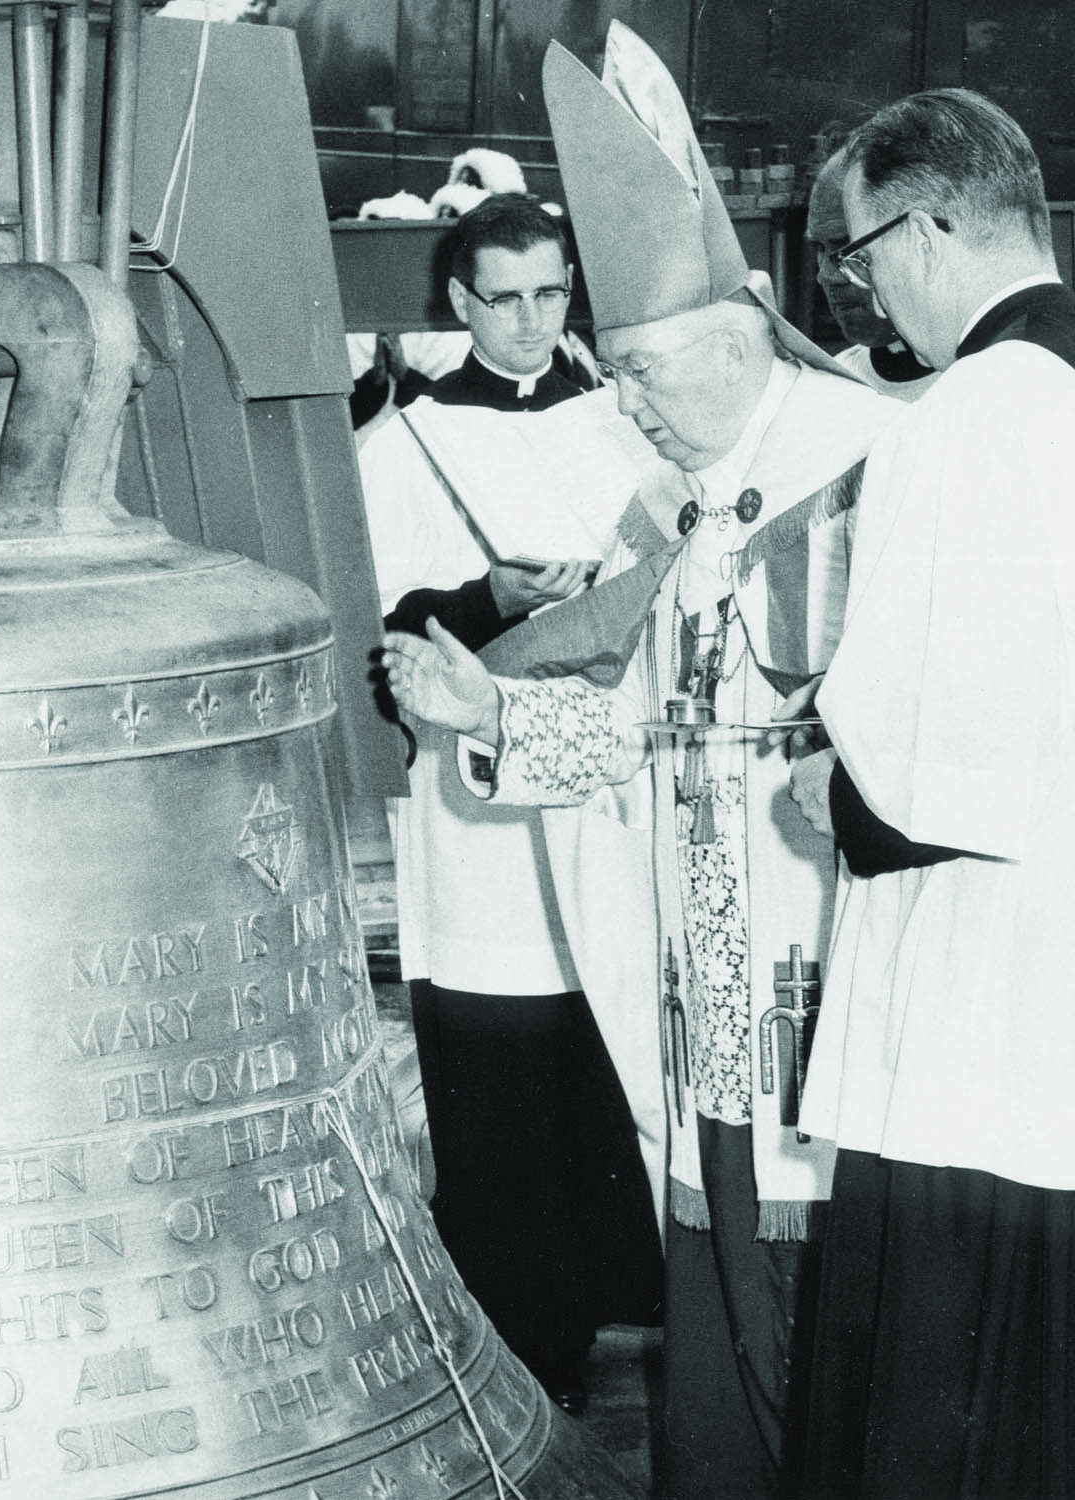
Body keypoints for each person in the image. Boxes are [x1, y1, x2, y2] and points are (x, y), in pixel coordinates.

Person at [382, 23, 901, 1500]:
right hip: (709, 1004)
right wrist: (489, 716)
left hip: (837, 988)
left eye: (644, 376)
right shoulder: (694, 517)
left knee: (835, 1331)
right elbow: (637, 735)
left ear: (726, 348)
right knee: (722, 1334)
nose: (631, 406)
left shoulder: (867, 468)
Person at [783, 88, 1075, 1500]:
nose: (870, 292)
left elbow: (920, 792)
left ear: (931, 226)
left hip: (983, 1015)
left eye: (862, 255)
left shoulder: (969, 418)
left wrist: (821, 789)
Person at [359, 191, 663, 1414]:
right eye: (507, 298)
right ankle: (522, 1346)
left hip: (607, 781)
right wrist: (490, 593)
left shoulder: (628, 422)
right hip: (475, 808)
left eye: (553, 294)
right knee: (503, 1066)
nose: (535, 321)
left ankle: (626, 1308)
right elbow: (376, 634)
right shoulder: (405, 444)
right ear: (458, 303)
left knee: (610, 1036)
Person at [805, 147, 939, 401]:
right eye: (820, 249)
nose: (826, 276)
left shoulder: (992, 383)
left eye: (848, 246)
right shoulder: (834, 386)